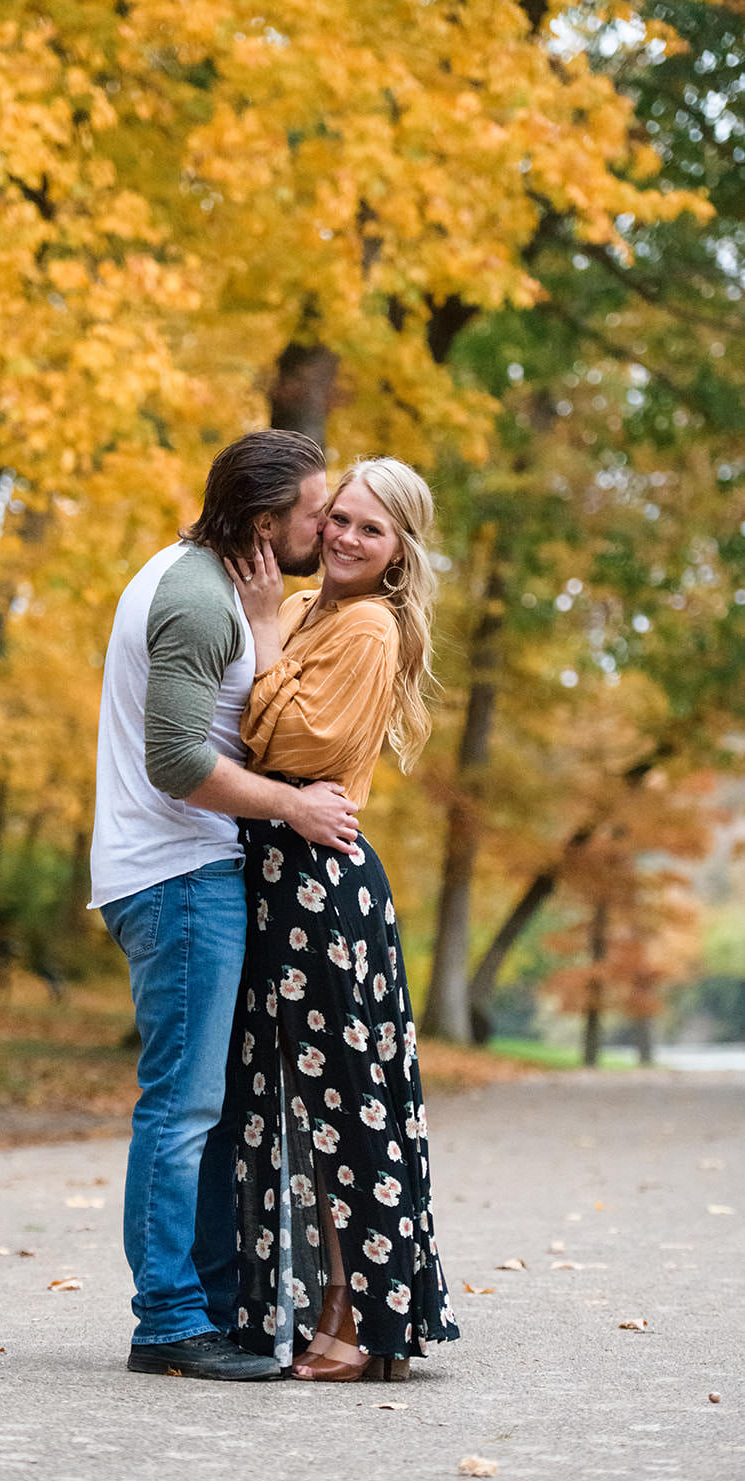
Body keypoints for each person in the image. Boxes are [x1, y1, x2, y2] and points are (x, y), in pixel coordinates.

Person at [89, 431, 359, 1381]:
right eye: (315, 512)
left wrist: (270, 625)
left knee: (200, 1107)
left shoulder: (215, 586)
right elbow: (174, 762)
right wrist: (293, 804)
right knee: (180, 1109)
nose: (326, 526)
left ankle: (209, 1308)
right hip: (177, 876)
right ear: (262, 522)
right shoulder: (202, 602)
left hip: (188, 873)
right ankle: (167, 1323)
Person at [224, 456, 460, 1380]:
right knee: (301, 1104)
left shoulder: (363, 624)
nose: (345, 538)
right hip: (281, 871)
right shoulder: (309, 609)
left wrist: (257, 637)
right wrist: (269, 635)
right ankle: (326, 1311)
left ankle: (358, 1321)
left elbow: (285, 741)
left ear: (399, 550)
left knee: (341, 1111)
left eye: (370, 528)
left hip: (321, 887)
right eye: (340, 519)